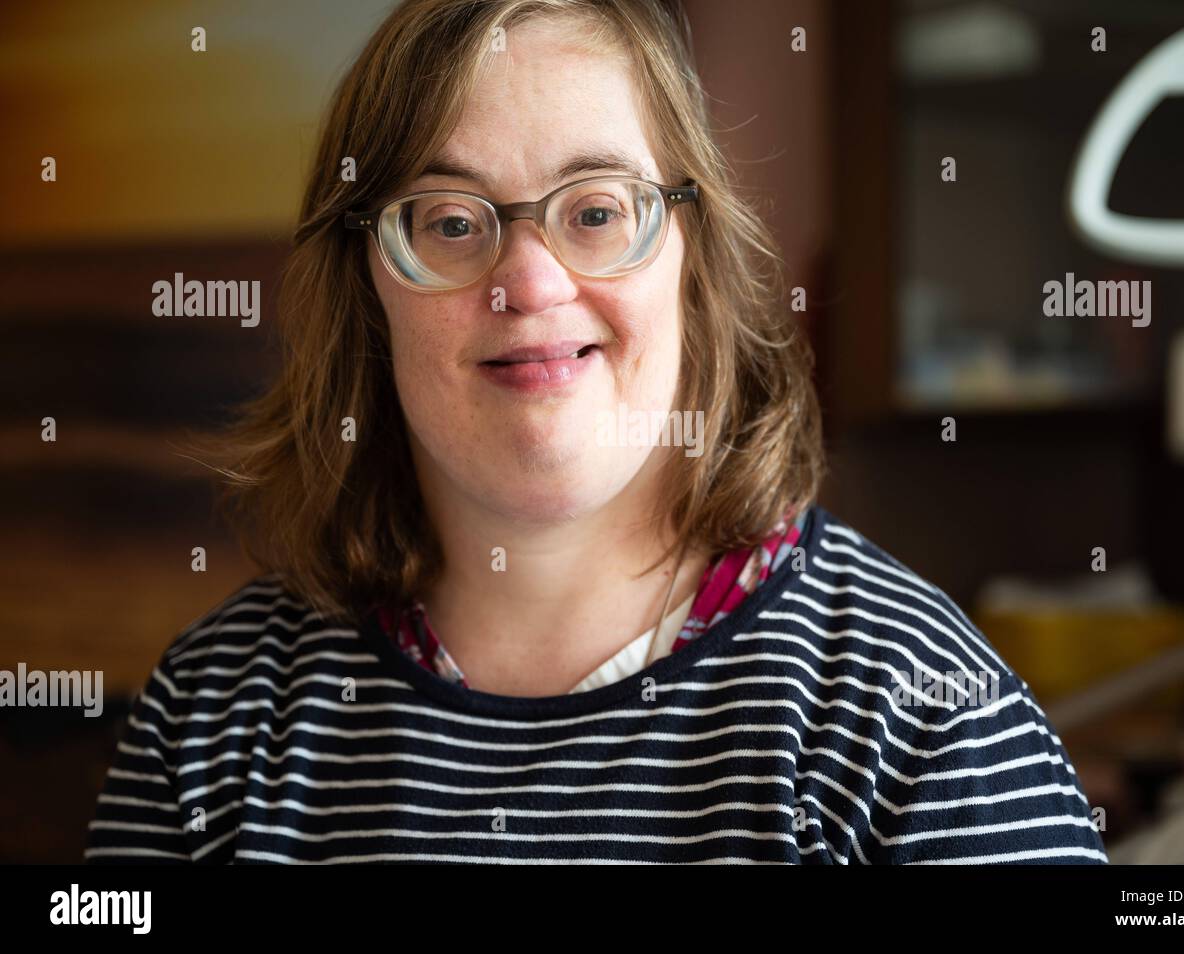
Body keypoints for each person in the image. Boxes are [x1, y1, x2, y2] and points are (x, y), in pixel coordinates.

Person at [86, 0, 1107, 864]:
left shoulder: (919, 714)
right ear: (366, 286)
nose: (530, 281)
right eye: (449, 220)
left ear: (691, 261)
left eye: (596, 211)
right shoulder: (210, 718)